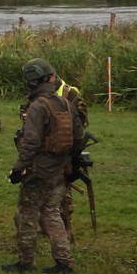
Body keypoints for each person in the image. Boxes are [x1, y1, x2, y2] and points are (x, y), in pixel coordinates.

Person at [4, 58, 85, 274]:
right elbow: (79, 139)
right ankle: (64, 261)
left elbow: (30, 142)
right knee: (52, 213)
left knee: (28, 214)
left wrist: (17, 169)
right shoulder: (66, 104)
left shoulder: (37, 107)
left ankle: (26, 261)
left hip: (39, 170)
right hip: (60, 169)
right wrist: (71, 165)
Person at [53, 73, 90, 242]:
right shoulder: (41, 92)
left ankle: (66, 230)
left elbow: (81, 123)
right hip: (46, 149)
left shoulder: (71, 94)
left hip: (64, 150)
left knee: (63, 193)